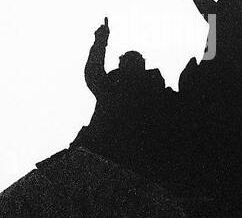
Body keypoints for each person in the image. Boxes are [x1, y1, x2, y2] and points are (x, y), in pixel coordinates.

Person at [71, 18, 173, 177]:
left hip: (104, 155)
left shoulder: (114, 87)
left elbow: (93, 72)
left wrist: (100, 42)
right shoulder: (154, 90)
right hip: (131, 162)